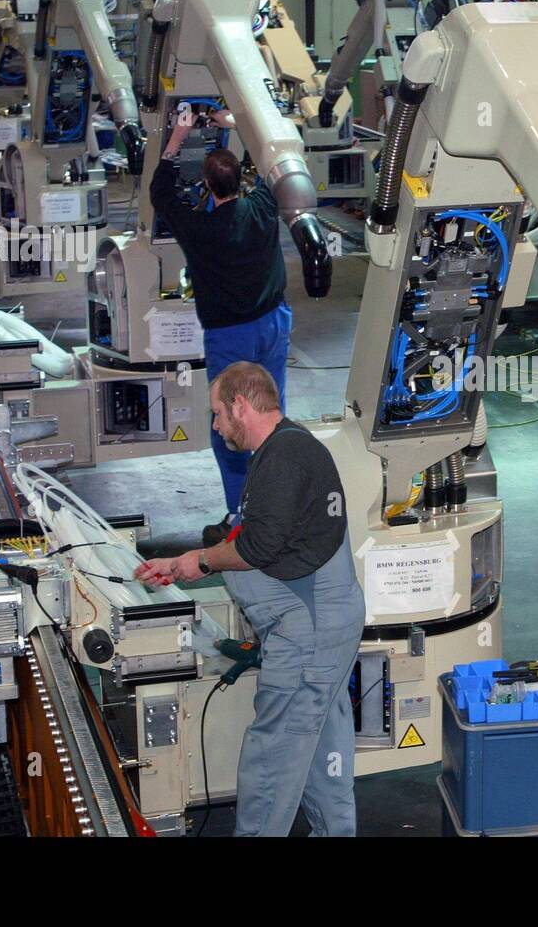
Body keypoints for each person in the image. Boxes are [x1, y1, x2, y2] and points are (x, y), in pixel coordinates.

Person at [135, 362, 364, 837]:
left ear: (241, 405)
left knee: (274, 754)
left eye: (218, 414)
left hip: (308, 633)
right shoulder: (288, 447)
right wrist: (189, 557)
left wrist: (197, 563)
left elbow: (257, 547)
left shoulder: (282, 457)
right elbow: (251, 530)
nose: (217, 427)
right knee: (321, 748)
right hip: (323, 628)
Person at [150, 109, 293, 546]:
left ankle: (242, 516)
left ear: (208, 186)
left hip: (230, 335)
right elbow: (270, 168)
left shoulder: (198, 228)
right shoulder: (264, 209)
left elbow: (160, 193)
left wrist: (177, 136)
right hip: (274, 323)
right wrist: (238, 125)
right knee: (271, 413)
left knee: (230, 424)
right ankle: (278, 504)